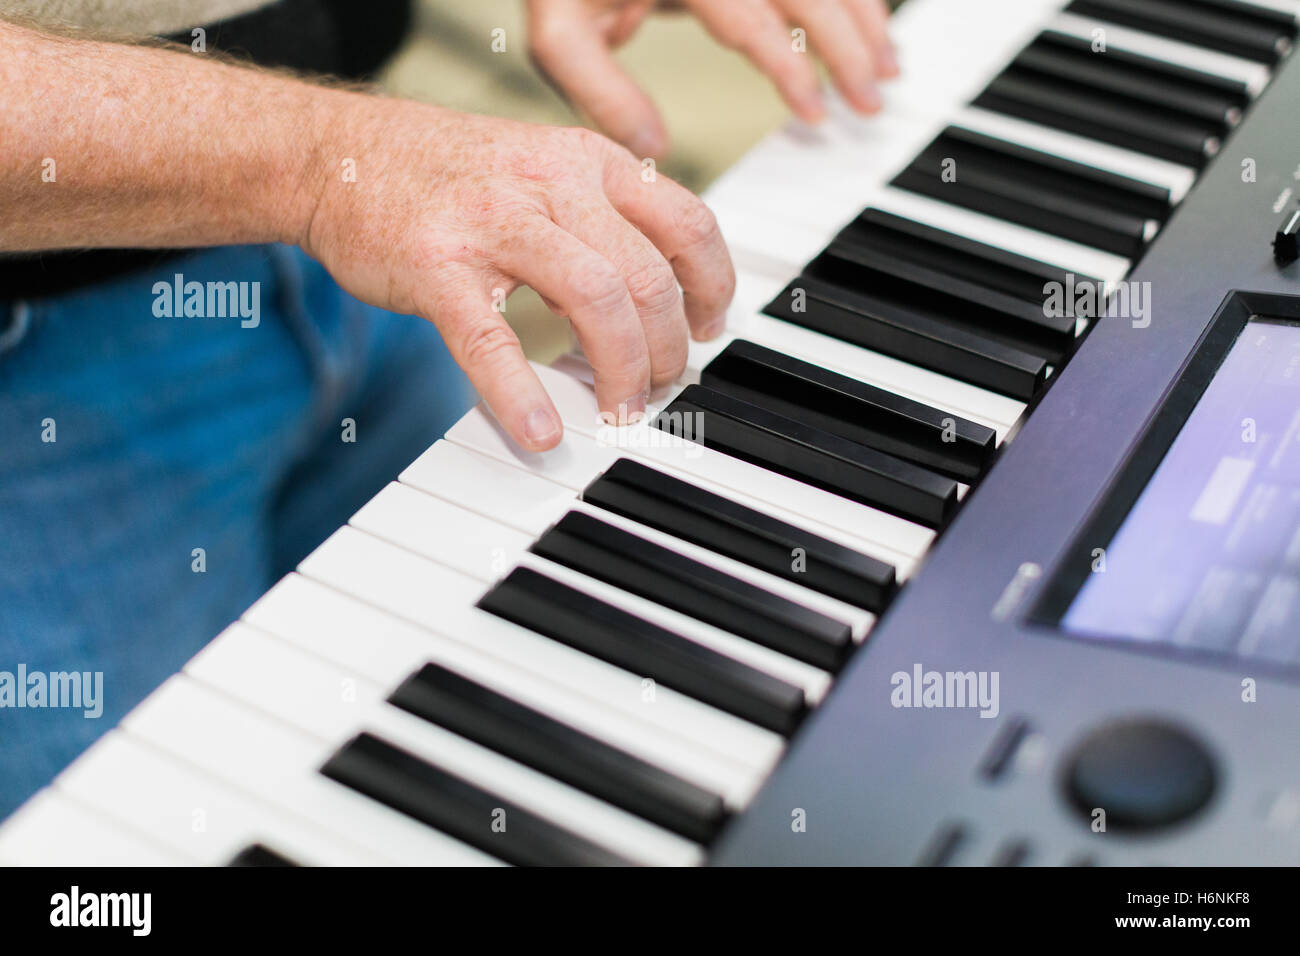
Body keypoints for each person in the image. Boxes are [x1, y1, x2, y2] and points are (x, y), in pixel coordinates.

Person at [0, 0, 896, 819]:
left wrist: (335, 165)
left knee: (425, 736)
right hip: (54, 363)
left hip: (347, 219)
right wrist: (328, 165)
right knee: (149, 831)